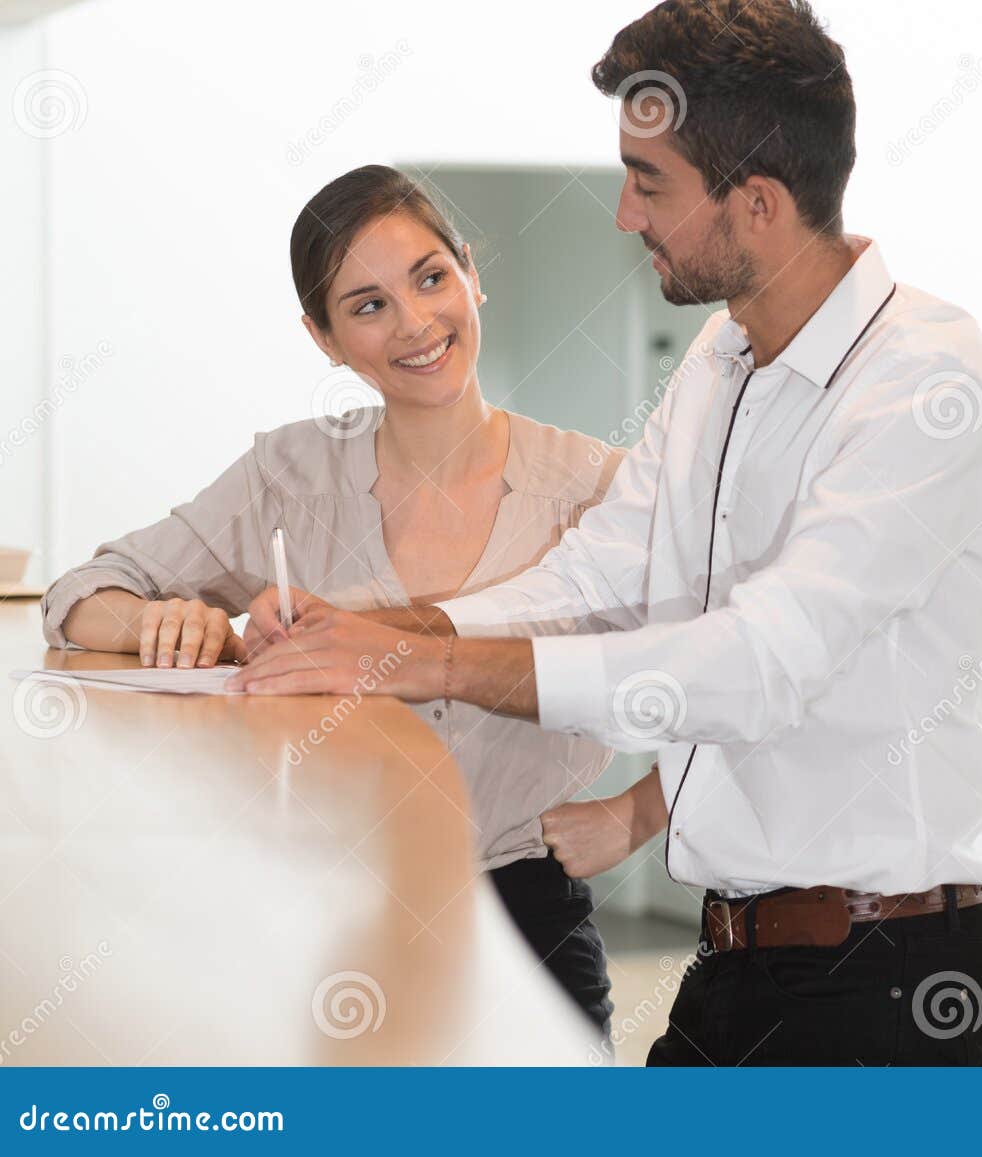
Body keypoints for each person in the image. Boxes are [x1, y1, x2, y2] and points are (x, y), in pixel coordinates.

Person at [232, 0, 982, 1066]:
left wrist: (430, 664)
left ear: (756, 204)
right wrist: (381, 628)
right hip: (738, 959)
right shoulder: (720, 358)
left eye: (649, 184)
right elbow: (598, 571)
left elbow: (757, 663)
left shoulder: (924, 381)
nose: (623, 214)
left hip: (891, 983)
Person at [41, 164, 623, 1035]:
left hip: (529, 914)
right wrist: (173, 622)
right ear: (324, 337)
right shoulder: (289, 475)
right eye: (368, 304)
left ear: (472, 272)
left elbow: (727, 668)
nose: (415, 322)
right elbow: (77, 595)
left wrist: (635, 815)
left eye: (431, 277)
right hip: (322, 905)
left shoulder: (596, 486)